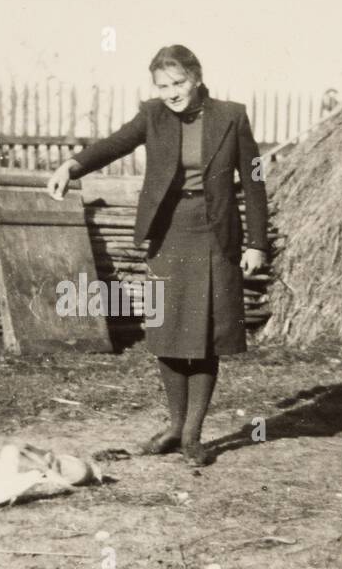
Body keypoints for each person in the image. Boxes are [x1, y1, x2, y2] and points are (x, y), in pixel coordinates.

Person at [46, 44, 269, 466]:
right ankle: (172, 425)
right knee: (166, 330)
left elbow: (254, 181)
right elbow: (114, 145)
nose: (171, 92)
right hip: (169, 233)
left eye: (178, 83)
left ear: (197, 78)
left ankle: (192, 436)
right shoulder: (152, 115)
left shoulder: (232, 116)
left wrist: (256, 242)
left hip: (215, 232)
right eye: (163, 85)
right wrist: (71, 166)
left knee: (206, 335)